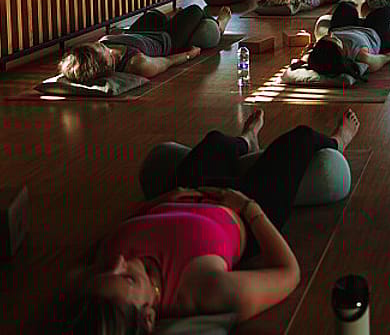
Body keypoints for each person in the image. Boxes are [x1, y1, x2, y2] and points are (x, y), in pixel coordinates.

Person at [62, 108, 361, 333]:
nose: (119, 262)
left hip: (189, 190)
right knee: (299, 139)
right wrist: (248, 208)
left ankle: (247, 140)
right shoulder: (201, 289)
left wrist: (165, 199)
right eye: (128, 278)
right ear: (150, 316)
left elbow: (127, 224)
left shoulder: (103, 266)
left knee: (215, 142)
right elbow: (289, 272)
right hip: (244, 206)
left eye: (107, 272)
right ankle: (339, 140)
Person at [58, 5, 230, 83]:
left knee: (153, 15)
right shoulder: (137, 64)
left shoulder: (96, 54)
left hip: (139, 33)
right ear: (106, 63)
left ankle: (172, 20)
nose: (103, 45)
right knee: (195, 11)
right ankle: (219, 26)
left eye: (98, 44)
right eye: (102, 48)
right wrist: (189, 55)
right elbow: (167, 62)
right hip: (168, 39)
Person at [303, 1, 390, 82]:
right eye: (335, 39)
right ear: (340, 51)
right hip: (371, 31)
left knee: (346, 6)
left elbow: (309, 56)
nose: (332, 36)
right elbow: (386, 58)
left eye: (329, 36)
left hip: (343, 27)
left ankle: (358, 20)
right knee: (385, 10)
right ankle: (364, 21)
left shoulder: (323, 50)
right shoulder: (362, 57)